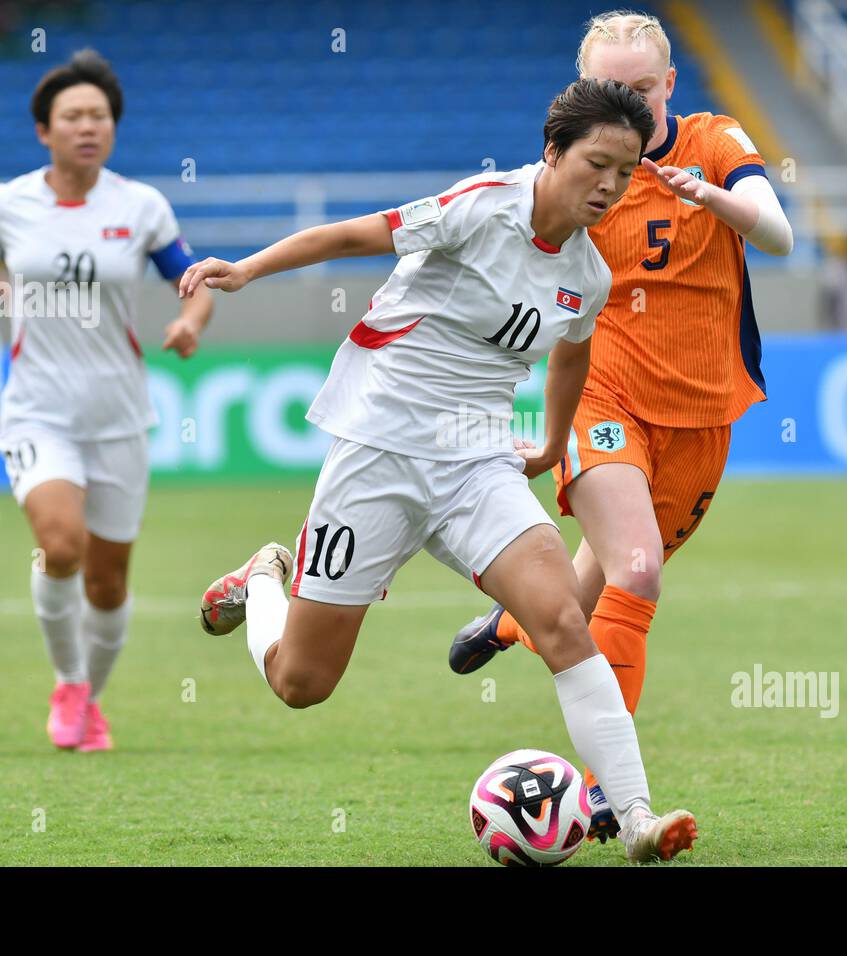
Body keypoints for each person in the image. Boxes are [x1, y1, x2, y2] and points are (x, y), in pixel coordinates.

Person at [185, 78, 696, 863]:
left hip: (477, 460)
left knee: (562, 619)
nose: (610, 185)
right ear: (553, 152)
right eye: (598, 163)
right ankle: (262, 577)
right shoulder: (483, 204)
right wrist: (250, 270)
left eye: (626, 172)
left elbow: (572, 354)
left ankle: (634, 818)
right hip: (378, 451)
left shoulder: (588, 274)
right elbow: (359, 234)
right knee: (302, 682)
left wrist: (554, 442)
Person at [447, 10, 795, 843]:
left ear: (669, 85)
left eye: (641, 89)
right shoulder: (585, 169)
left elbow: (779, 234)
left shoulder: (713, 142)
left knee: (598, 589)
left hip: (706, 409)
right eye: (609, 90)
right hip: (603, 396)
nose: (627, 106)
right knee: (637, 571)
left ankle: (513, 620)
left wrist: (713, 198)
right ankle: (614, 797)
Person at [0, 49, 213, 752]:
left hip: (119, 416)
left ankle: (91, 698)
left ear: (113, 128)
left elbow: (193, 278)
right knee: (60, 547)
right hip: (36, 409)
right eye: (73, 116)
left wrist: (190, 322)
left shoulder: (141, 205)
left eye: (99, 116)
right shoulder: (7, 203)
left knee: (107, 580)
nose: (88, 127)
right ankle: (67, 682)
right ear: (44, 130)